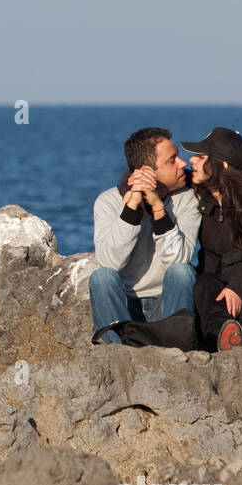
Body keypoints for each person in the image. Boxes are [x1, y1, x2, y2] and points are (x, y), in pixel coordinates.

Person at [89, 127, 200, 344]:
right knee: (101, 278)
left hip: (167, 304)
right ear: (147, 171)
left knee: (182, 272)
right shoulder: (107, 201)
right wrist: (131, 209)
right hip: (125, 307)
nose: (183, 163)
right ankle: (118, 355)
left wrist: (159, 210)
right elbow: (109, 263)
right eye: (172, 160)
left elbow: (178, 260)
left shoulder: (187, 199)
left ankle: (177, 348)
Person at [182, 127, 242, 351]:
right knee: (204, 284)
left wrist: (237, 288)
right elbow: (161, 175)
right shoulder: (200, 189)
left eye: (200, 157)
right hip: (215, 285)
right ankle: (227, 339)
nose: (191, 161)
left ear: (222, 165)